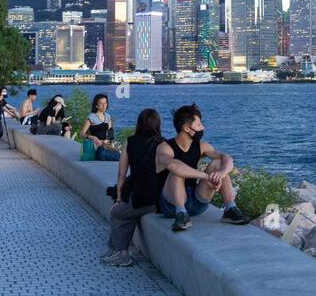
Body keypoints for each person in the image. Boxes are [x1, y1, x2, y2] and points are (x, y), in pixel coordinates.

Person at [155, 104, 251, 232]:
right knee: (177, 171)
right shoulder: (164, 147)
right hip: (171, 205)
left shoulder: (202, 146)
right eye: (199, 125)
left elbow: (226, 158)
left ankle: (230, 209)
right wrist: (206, 176)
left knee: (217, 163)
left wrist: (221, 173)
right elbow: (173, 165)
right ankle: (181, 215)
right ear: (187, 128)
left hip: (197, 202)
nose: (203, 128)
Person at [102, 108, 165, 266]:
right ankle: (117, 249)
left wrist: (118, 198)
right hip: (159, 198)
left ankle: (121, 253)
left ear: (139, 123)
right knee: (127, 213)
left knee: (117, 212)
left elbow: (121, 175)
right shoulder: (163, 144)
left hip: (141, 197)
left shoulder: (130, 141)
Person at [81, 93, 119, 161]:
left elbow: (110, 132)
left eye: (105, 103)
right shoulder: (91, 117)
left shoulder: (108, 116)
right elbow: (82, 134)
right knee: (103, 154)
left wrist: (108, 141)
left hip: (105, 146)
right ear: (96, 105)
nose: (104, 105)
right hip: (95, 147)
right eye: (101, 103)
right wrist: (93, 137)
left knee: (120, 154)